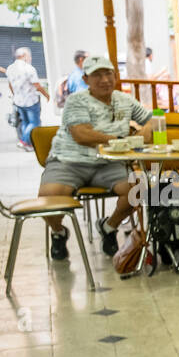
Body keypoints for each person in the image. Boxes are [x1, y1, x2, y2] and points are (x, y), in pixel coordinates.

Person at [36, 56, 152, 260]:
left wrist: (142, 135)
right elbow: (82, 135)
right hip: (69, 161)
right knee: (49, 199)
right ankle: (59, 232)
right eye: (97, 75)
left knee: (138, 190)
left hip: (109, 163)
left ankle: (109, 227)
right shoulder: (76, 100)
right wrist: (119, 139)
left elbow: (153, 119)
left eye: (108, 74)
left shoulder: (124, 100)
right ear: (86, 79)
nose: (104, 80)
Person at [7, 47, 49, 152]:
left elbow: (10, 85)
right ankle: (24, 141)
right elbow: (37, 85)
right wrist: (46, 95)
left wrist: (15, 95)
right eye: (29, 56)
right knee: (34, 123)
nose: (30, 58)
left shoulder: (10, 68)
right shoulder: (29, 68)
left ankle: (28, 143)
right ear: (24, 56)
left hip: (18, 100)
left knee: (25, 122)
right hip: (30, 101)